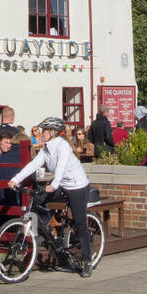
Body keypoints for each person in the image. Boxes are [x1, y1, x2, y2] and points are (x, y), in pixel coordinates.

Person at [8, 116, 97, 277]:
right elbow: (33, 165)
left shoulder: (62, 146)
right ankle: (41, 237)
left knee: (80, 222)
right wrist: (15, 179)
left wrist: (54, 185)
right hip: (61, 184)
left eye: (44, 131)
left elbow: (61, 167)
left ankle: (87, 261)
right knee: (37, 200)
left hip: (77, 186)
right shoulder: (46, 149)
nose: (41, 133)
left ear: (52, 132)